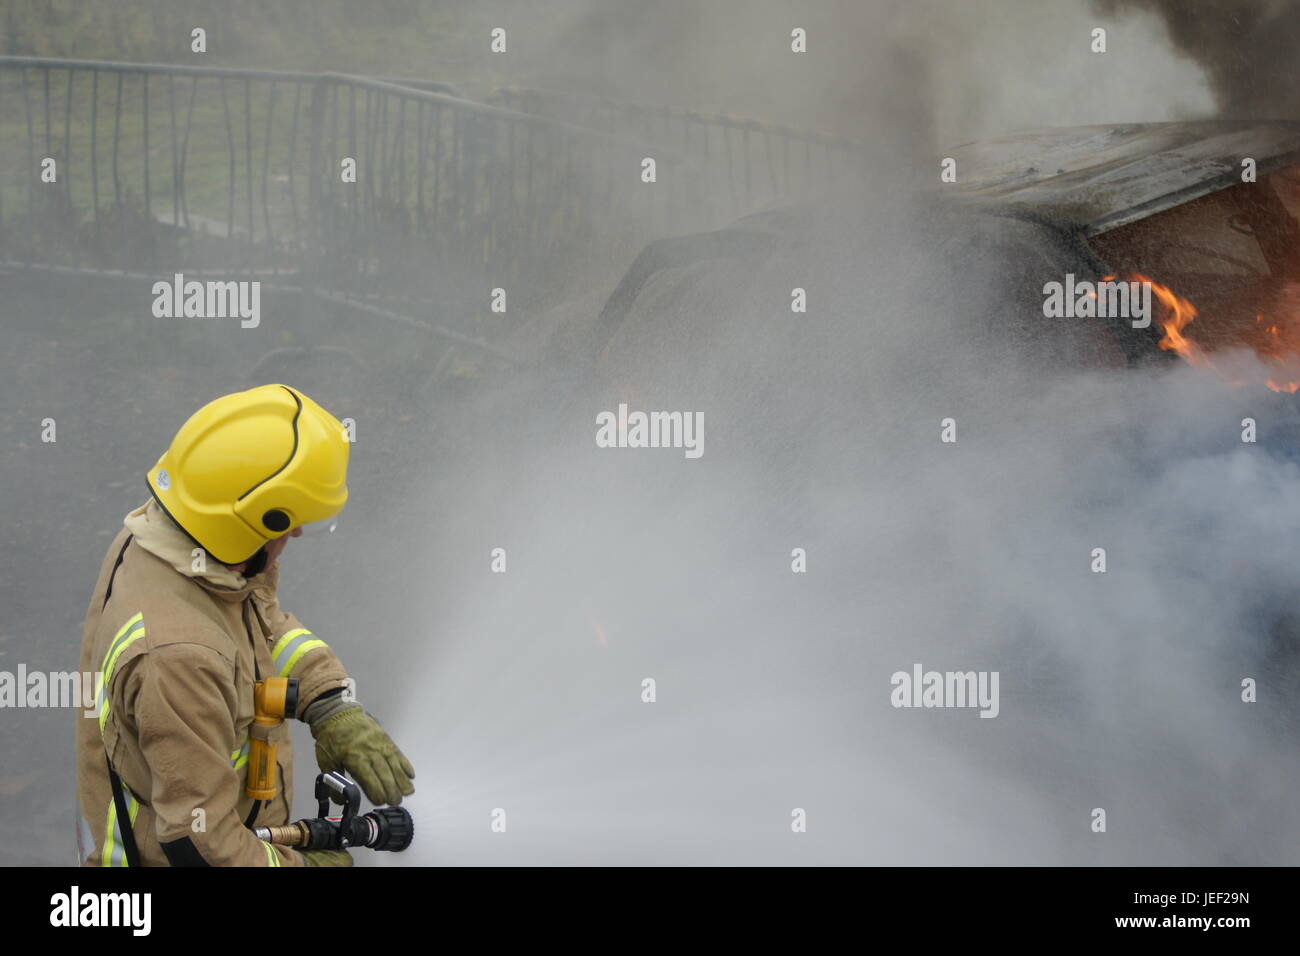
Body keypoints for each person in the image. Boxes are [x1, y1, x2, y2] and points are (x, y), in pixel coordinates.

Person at [75, 384, 414, 866]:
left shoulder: (179, 538)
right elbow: (199, 843)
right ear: (247, 523)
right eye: (288, 524)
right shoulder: (176, 657)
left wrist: (326, 700)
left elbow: (258, 626)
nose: (297, 533)